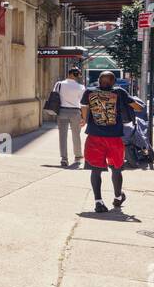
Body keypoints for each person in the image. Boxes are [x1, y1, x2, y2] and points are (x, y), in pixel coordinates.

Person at [80, 70, 144, 213]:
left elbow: (84, 107)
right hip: (114, 137)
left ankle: (98, 202)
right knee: (116, 169)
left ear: (99, 81)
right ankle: (117, 196)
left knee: (95, 170)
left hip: (94, 137)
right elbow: (139, 108)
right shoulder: (119, 92)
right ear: (114, 82)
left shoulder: (89, 92)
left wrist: (84, 120)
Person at [53, 66, 85, 166]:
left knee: (62, 136)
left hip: (62, 111)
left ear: (69, 74)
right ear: (76, 75)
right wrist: (84, 117)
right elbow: (83, 104)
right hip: (75, 112)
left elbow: (54, 95)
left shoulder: (59, 84)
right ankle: (78, 155)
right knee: (76, 135)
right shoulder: (81, 87)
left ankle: (64, 158)